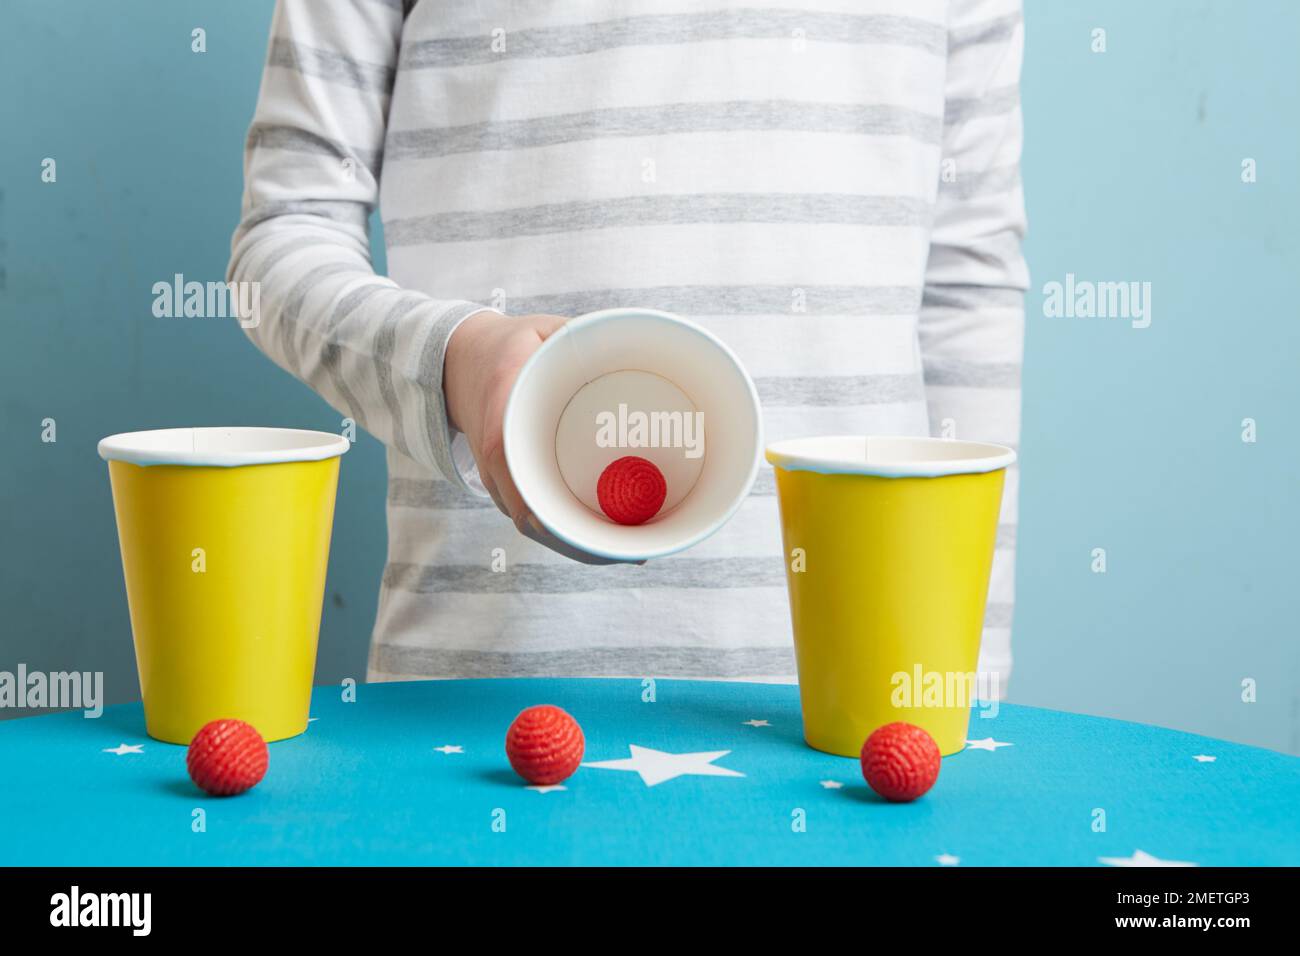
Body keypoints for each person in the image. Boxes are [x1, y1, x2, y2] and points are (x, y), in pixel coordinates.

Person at [227, 0, 1027, 689]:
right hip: (482, 694)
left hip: (858, 692)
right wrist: (450, 361)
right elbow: (281, 241)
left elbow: (968, 288)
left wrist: (962, 670)